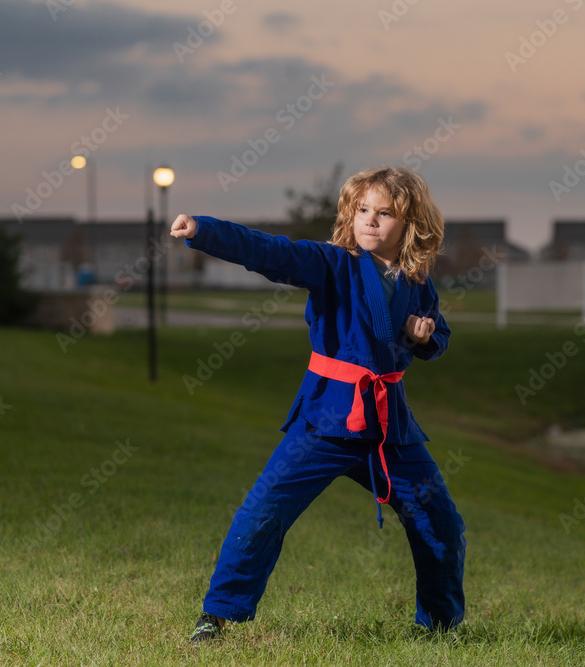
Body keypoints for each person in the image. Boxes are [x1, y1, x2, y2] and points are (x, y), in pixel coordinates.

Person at [171, 166, 465, 644]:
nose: (370, 221)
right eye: (362, 210)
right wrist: (205, 231)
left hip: (389, 430)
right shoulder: (332, 263)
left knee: (441, 523)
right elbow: (269, 251)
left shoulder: (417, 281)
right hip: (326, 420)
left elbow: (439, 334)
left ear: (412, 224)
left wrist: (423, 337)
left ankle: (440, 626)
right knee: (263, 512)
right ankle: (218, 614)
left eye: (385, 213)